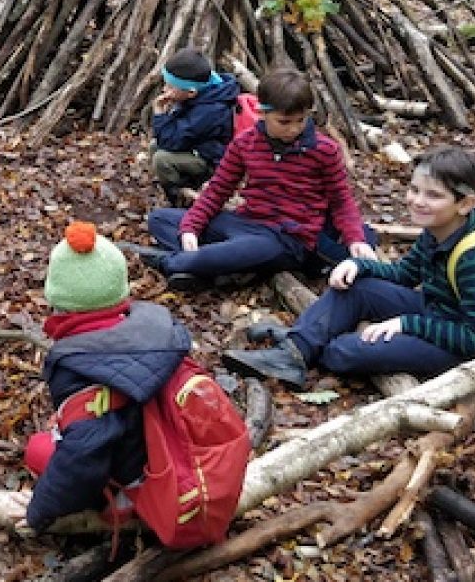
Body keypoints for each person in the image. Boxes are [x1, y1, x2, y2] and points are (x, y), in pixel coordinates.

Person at [223, 146, 475, 388]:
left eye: (433, 195)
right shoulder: (438, 230)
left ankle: (307, 344)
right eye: (414, 190)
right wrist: (356, 264)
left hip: (470, 345)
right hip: (441, 312)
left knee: (345, 351)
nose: (418, 201)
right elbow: (405, 275)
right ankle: (294, 350)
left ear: (465, 204)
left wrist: (407, 325)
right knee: (358, 288)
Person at [137, 67, 376, 289]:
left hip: (287, 238)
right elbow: (218, 190)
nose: (293, 129)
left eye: (300, 121)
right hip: (247, 222)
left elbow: (341, 201)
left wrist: (356, 239)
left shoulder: (325, 150)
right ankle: (218, 268)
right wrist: (191, 227)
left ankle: (174, 263)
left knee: (235, 252)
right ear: (262, 113)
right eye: (284, 122)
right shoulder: (245, 143)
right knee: (161, 220)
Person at [22, 222, 191, 531]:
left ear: (59, 302)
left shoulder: (80, 364)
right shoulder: (154, 330)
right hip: (162, 451)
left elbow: (84, 455)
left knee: (38, 450)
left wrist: (39, 510)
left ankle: (125, 501)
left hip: (135, 473)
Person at [148, 47, 240, 204]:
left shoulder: (209, 111)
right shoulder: (202, 96)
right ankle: (184, 186)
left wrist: (159, 114)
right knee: (154, 146)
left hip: (211, 162)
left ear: (191, 92)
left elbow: (171, 141)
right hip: (196, 149)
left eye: (170, 87)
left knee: (161, 159)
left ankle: (182, 198)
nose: (165, 90)